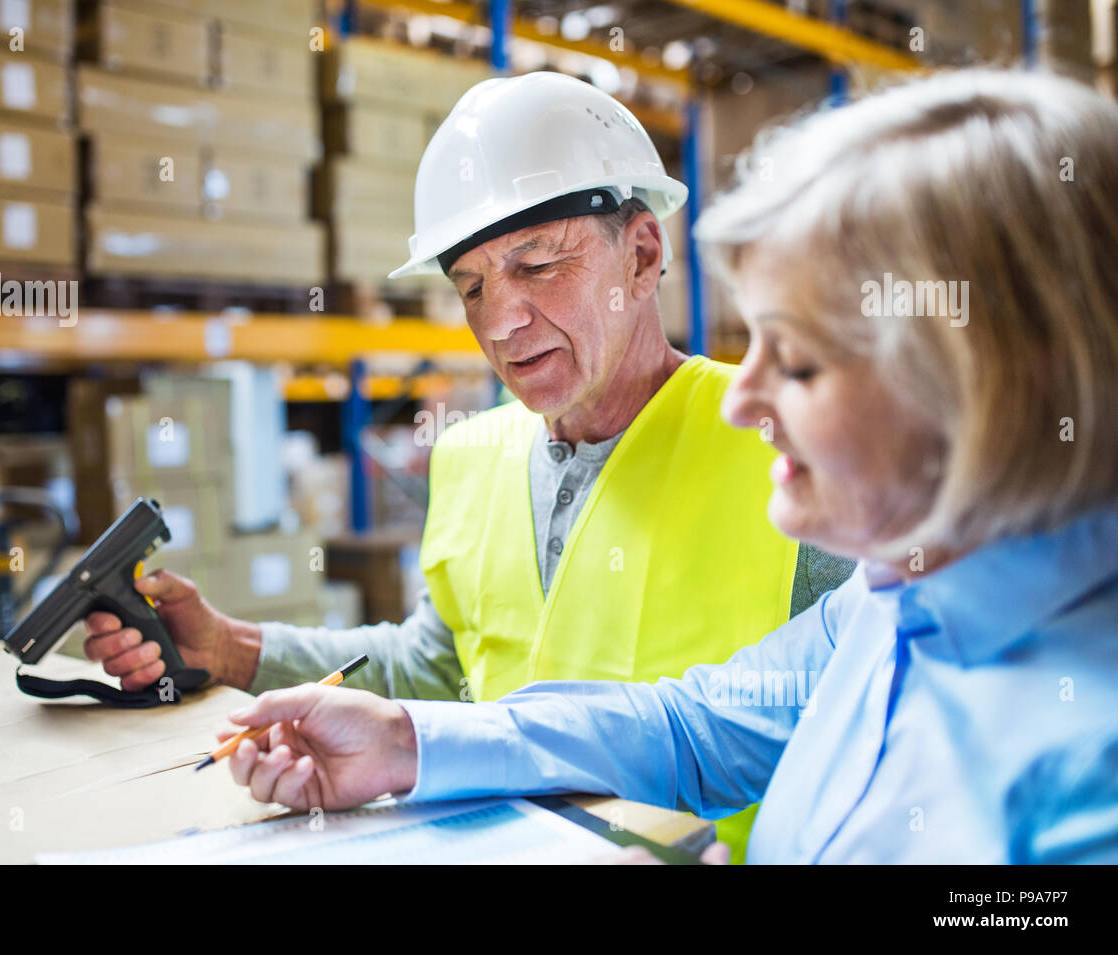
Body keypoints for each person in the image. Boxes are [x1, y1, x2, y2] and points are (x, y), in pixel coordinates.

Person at [212, 68, 1118, 863]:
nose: (742, 399)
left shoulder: (1089, 756)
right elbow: (688, 726)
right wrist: (409, 742)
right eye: (474, 286)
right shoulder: (886, 605)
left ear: (984, 380)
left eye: (799, 359)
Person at [81, 71, 853, 863]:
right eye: (473, 286)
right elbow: (435, 670)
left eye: (537, 265)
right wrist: (229, 646)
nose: (503, 321)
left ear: (643, 253)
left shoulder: (789, 449)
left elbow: (864, 721)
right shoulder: (472, 454)